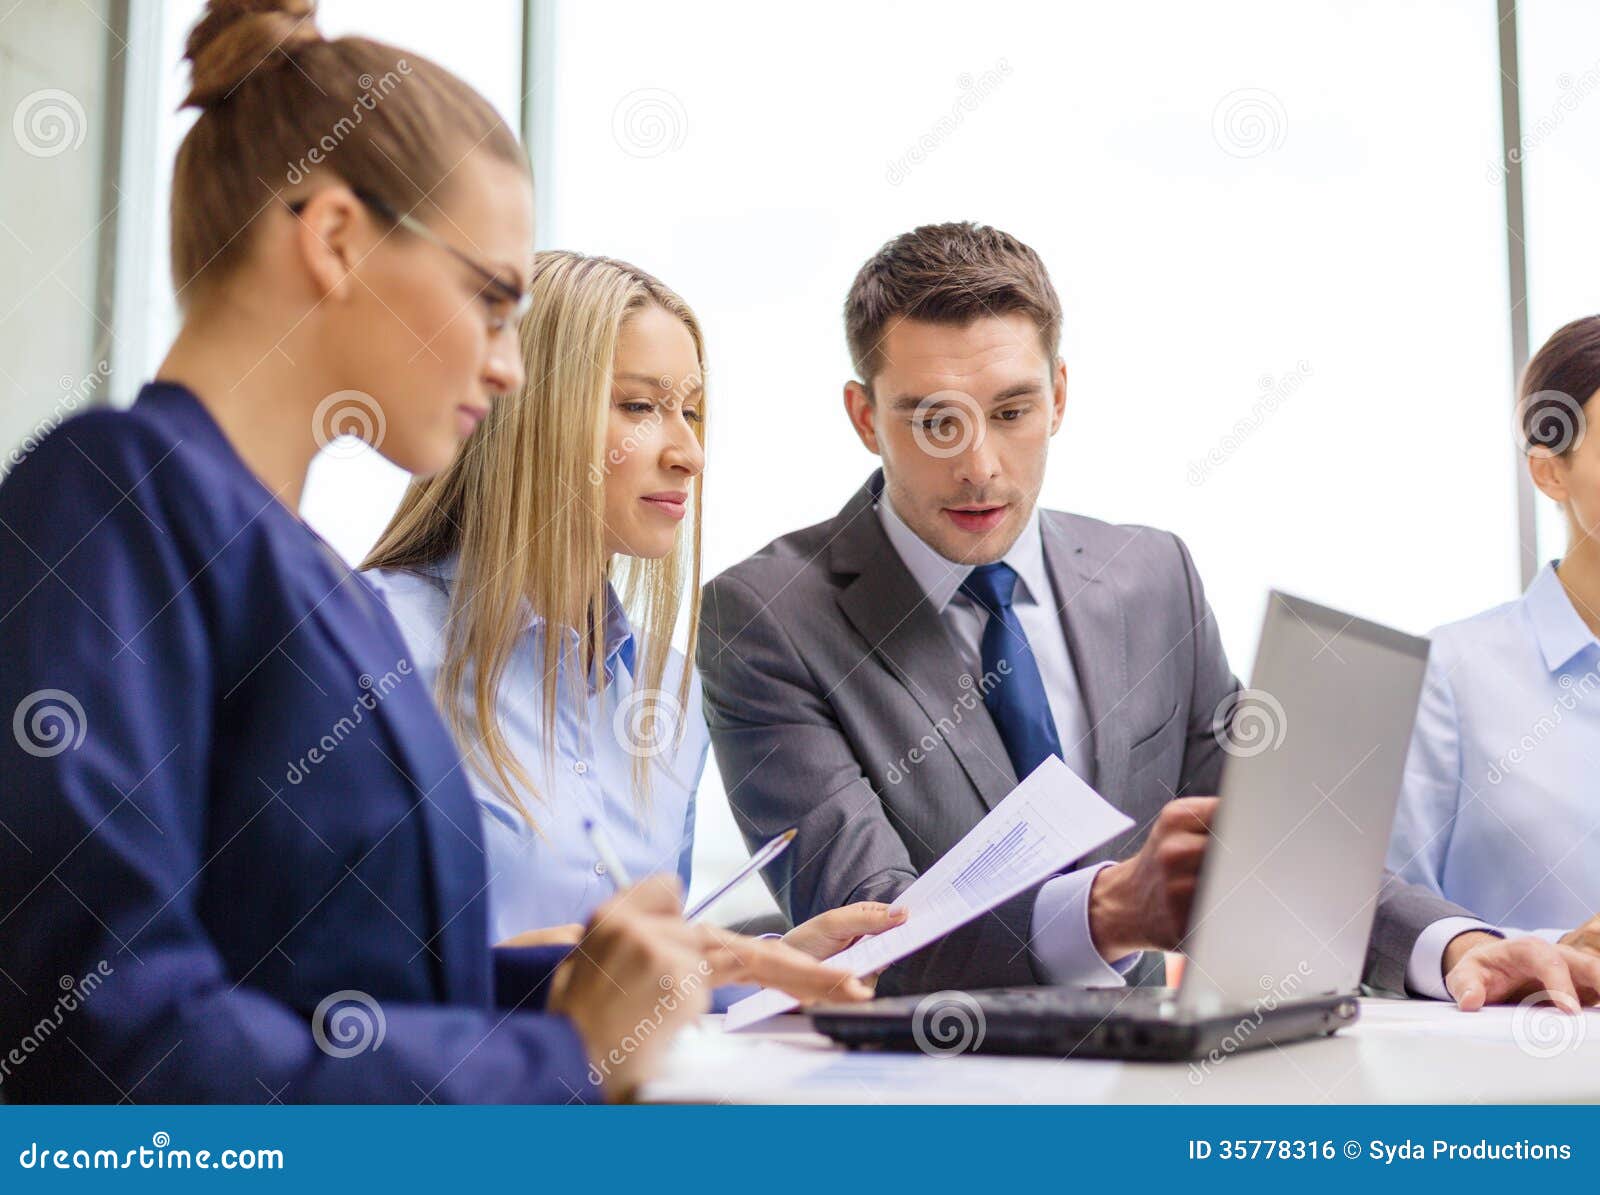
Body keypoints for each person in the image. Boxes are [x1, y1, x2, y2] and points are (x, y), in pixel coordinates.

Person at [0, 0, 855, 1105]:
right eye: (492, 299)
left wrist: (625, 979)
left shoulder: (309, 583)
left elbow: (347, 986)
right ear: (338, 240)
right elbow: (99, 1040)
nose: (508, 368)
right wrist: (558, 1056)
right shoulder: (113, 500)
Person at [697, 221, 1600, 1011]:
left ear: (1060, 394)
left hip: (1142, 1088)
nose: (979, 466)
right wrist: (1106, 910)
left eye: (1012, 411)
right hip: (926, 1105)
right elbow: (864, 930)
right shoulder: (769, 620)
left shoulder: (1150, 576)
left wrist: (1461, 949)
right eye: (934, 421)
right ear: (863, 416)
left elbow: (1270, 832)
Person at [362, 251, 902, 977]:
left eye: (693, 412)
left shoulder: (665, 693)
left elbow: (638, 993)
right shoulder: (370, 644)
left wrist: (758, 967)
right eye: (641, 406)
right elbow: (330, 979)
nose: (688, 453)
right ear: (528, 405)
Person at [1388, 316, 1600, 1006]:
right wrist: (1543, 956)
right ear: (1549, 471)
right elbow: (1378, 918)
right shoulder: (1450, 674)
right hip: (1512, 1091)